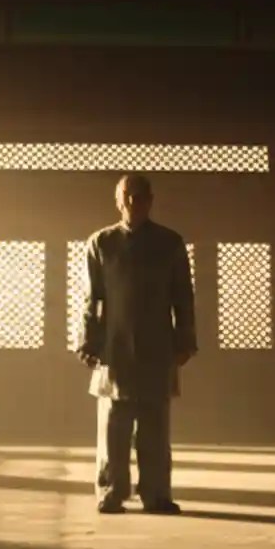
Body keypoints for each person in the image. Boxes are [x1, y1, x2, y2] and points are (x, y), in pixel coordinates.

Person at [77, 173, 196, 514]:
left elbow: (182, 298)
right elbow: (91, 298)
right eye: (128, 196)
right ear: (119, 200)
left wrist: (185, 340)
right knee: (114, 424)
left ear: (151, 200)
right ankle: (112, 491)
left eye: (140, 196)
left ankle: (156, 494)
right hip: (115, 346)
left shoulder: (170, 244)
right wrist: (88, 340)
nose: (134, 202)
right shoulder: (101, 243)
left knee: (155, 426)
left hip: (158, 344)